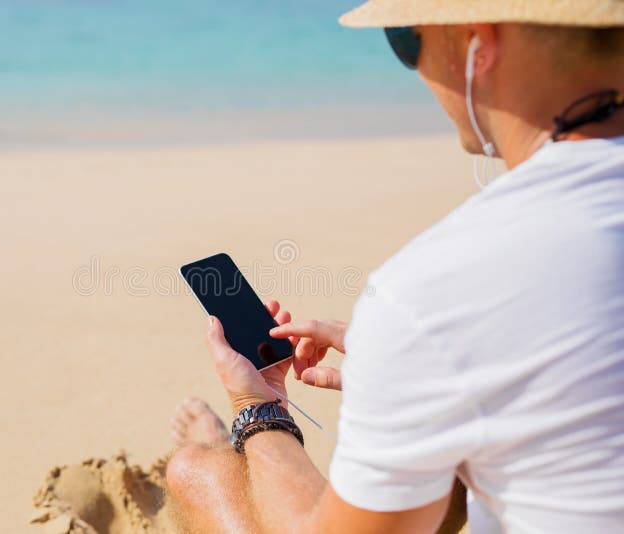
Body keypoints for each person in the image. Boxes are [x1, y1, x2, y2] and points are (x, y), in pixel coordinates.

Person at [166, 1, 624, 532]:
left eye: (407, 39)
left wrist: (258, 406)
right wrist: (412, 370)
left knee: (197, 474)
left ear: (477, 43)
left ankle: (231, 448)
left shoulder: (434, 291)